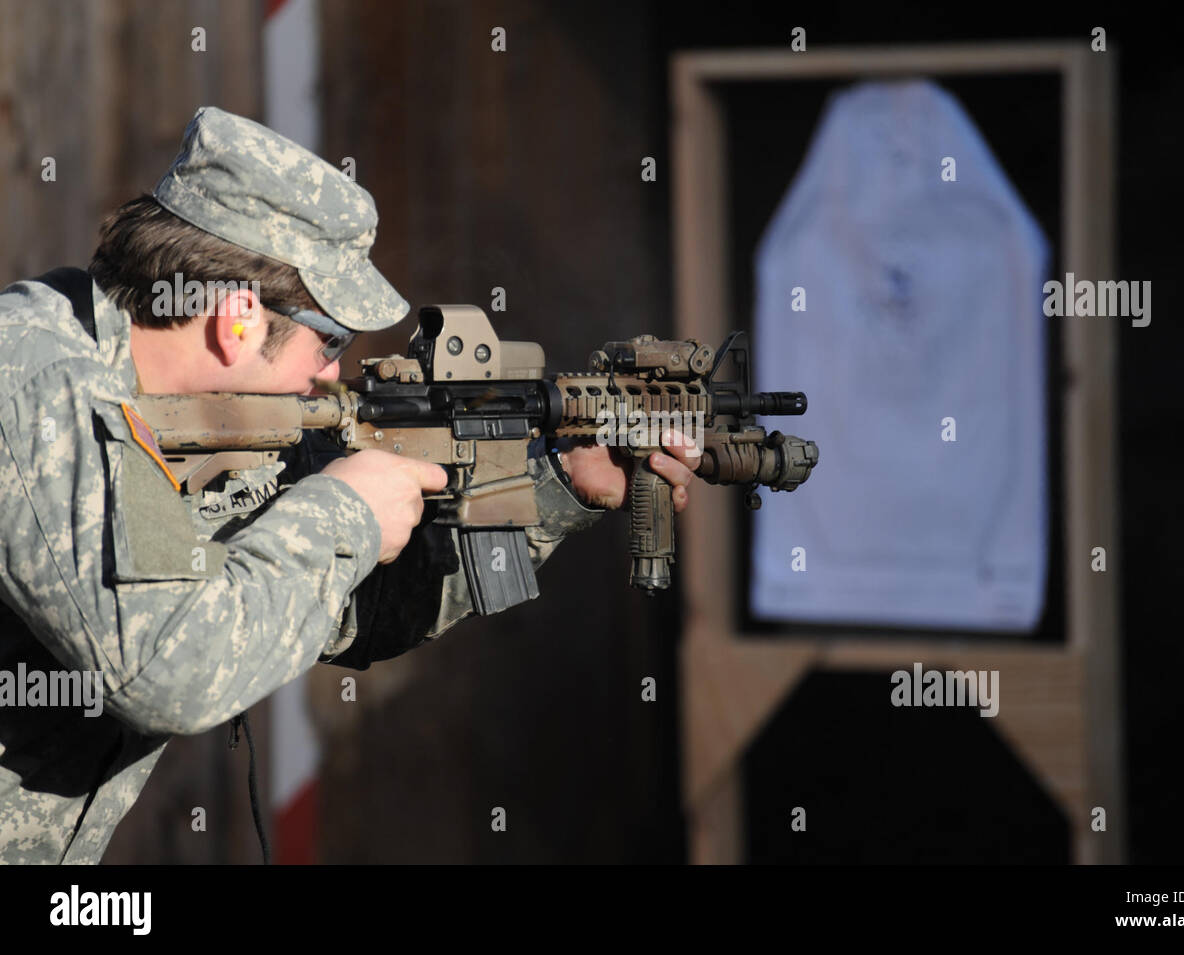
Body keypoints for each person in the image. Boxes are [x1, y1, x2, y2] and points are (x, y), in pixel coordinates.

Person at [0, 106, 698, 864]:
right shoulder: (43, 386)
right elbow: (168, 670)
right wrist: (343, 513)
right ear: (236, 320)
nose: (333, 369)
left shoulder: (183, 417)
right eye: (329, 336)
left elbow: (354, 611)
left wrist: (559, 485)